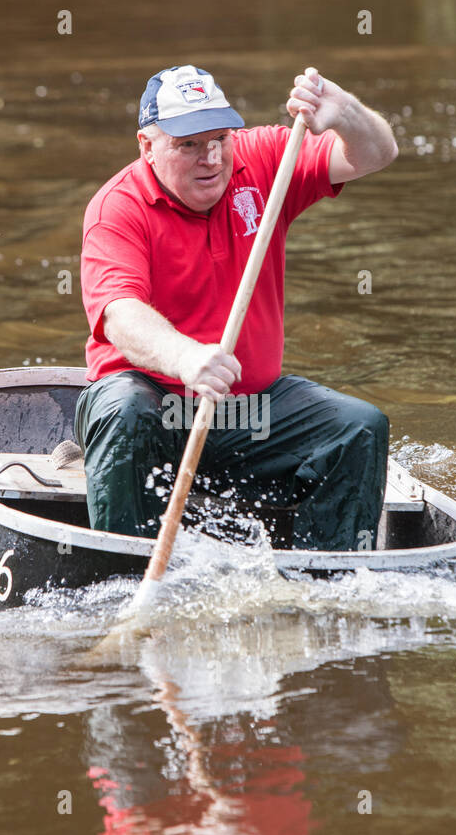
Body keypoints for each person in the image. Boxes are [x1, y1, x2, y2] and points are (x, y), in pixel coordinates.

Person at [75, 64, 398, 551]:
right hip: (155, 410)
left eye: (220, 139)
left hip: (249, 414)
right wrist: (187, 359)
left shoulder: (269, 156)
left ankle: (331, 588)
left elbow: (378, 154)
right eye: (188, 145)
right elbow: (120, 314)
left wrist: (344, 113)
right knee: (124, 412)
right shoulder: (117, 209)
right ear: (147, 147)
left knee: (361, 427)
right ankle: (121, 580)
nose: (211, 158)